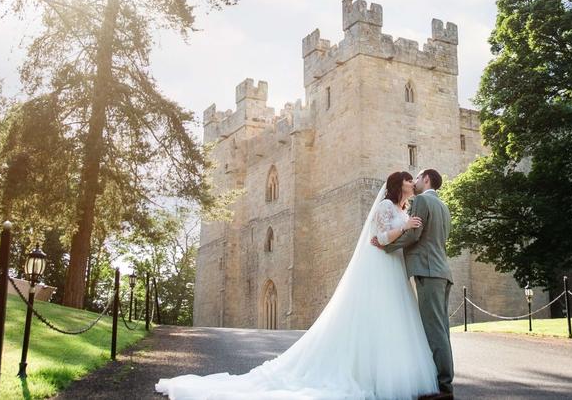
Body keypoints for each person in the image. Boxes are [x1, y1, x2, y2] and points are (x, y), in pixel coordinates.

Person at [155, 171, 438, 399]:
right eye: (408, 179)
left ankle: (387, 371)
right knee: (376, 316)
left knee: (391, 319)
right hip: (381, 266)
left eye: (413, 179)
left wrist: (406, 226)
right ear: (397, 184)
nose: (412, 182)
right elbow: (383, 238)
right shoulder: (386, 205)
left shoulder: (404, 207)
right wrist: (404, 226)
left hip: (395, 268)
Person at [372, 168, 454, 399]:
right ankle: (443, 382)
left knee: (434, 330)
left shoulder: (421, 201)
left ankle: (444, 387)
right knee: (442, 329)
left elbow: (415, 235)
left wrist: (384, 244)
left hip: (428, 271)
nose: (414, 182)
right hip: (442, 271)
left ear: (426, 179)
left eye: (416, 178)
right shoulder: (444, 207)